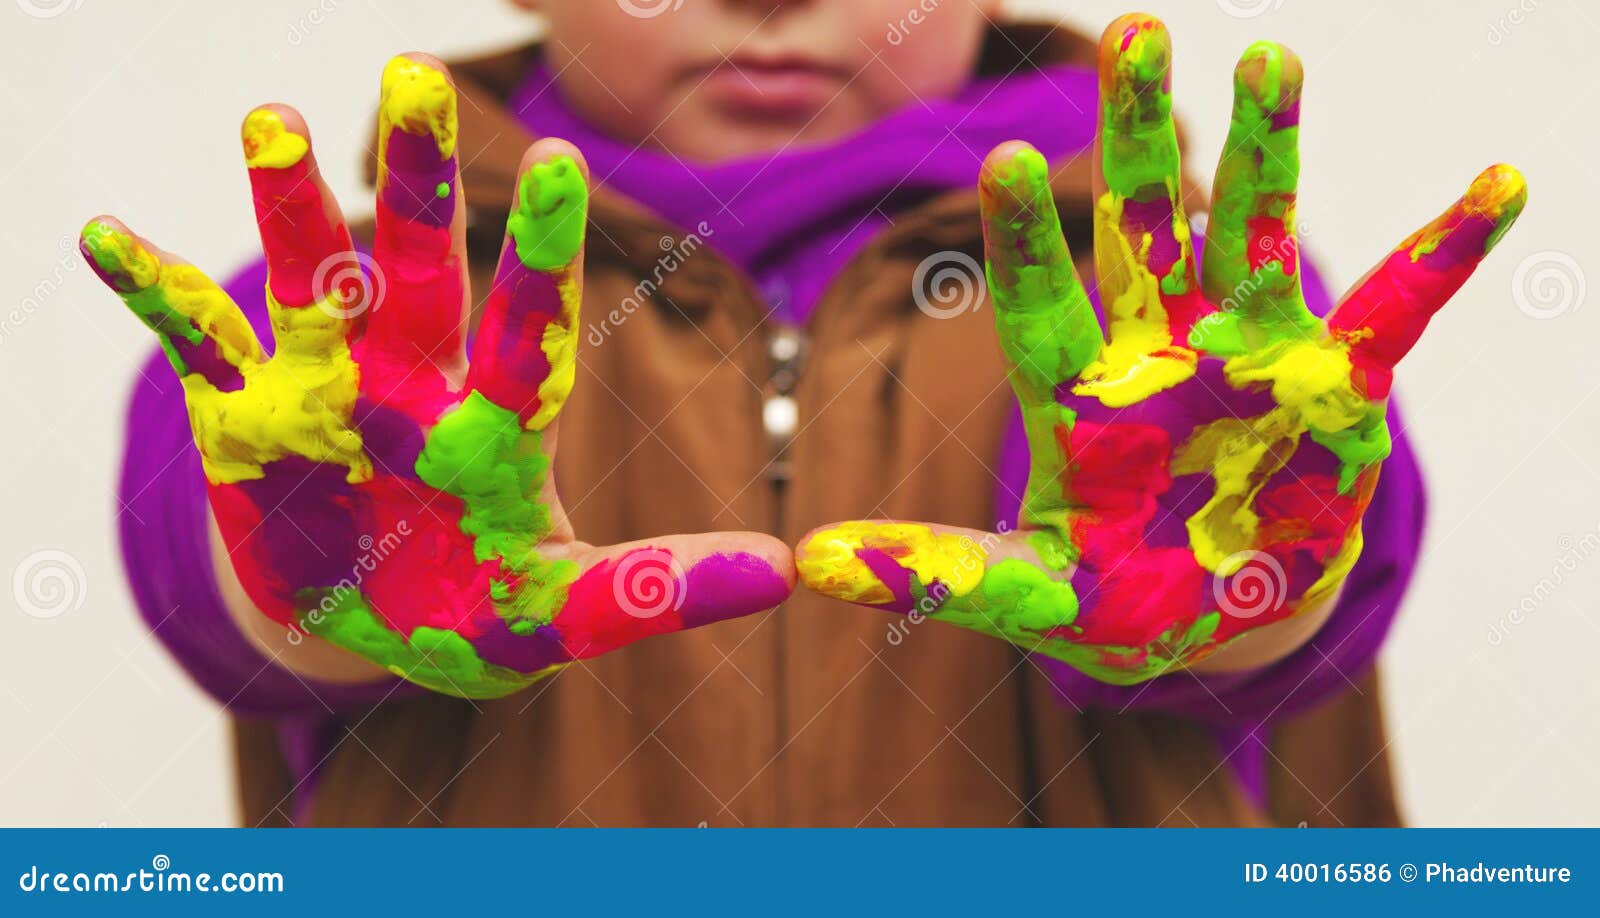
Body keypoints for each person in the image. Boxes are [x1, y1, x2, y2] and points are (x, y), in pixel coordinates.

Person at [88, 2, 1522, 826]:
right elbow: (229, 607)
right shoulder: (328, 346)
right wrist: (324, 583)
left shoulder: (1202, 328)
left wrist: (1239, 586)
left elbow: (1300, 626)